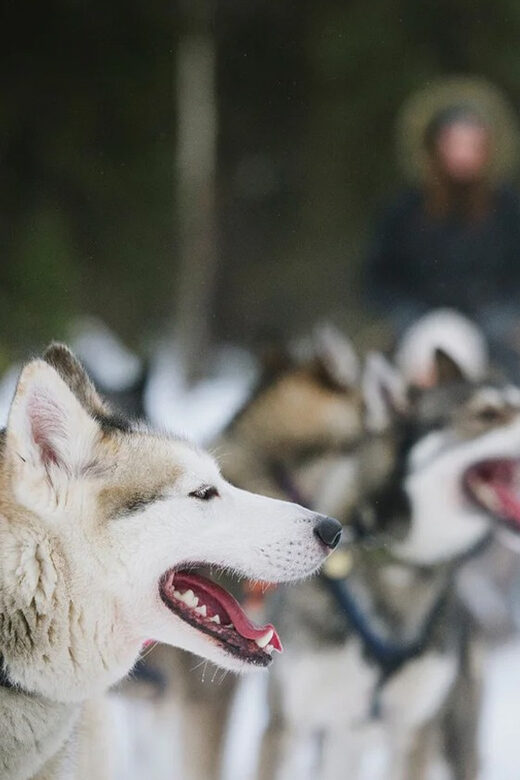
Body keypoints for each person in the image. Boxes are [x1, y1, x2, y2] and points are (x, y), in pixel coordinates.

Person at [366, 78, 520, 358]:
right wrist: (410, 318)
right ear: (434, 147)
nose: (463, 155)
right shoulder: (405, 211)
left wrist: (504, 316)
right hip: (421, 330)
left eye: (473, 143)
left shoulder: (509, 210)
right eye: (454, 143)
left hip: (497, 334)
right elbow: (378, 278)